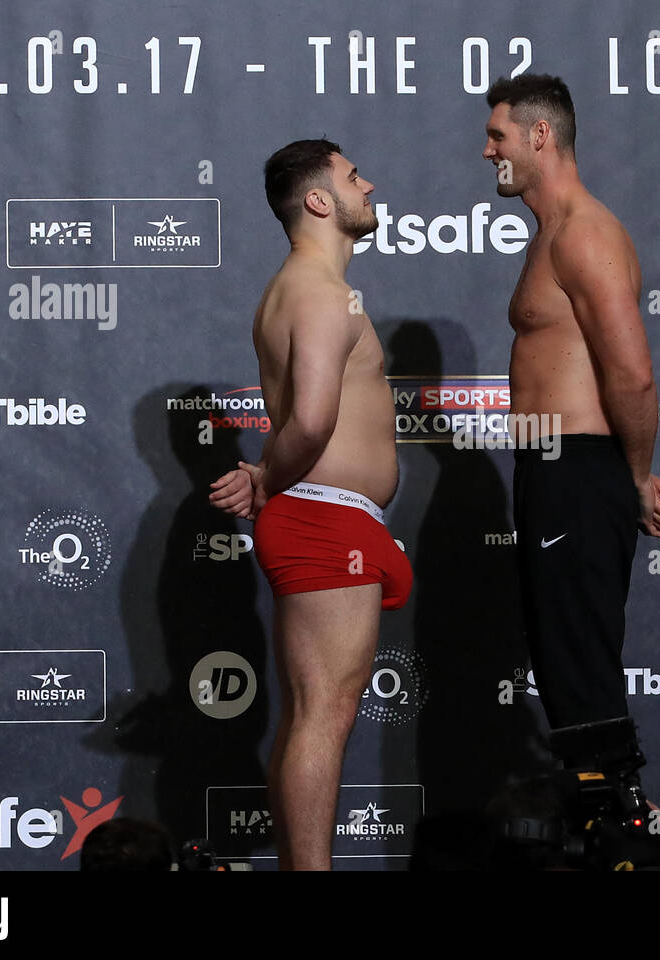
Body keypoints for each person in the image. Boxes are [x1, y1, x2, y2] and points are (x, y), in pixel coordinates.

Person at [209, 139, 411, 870]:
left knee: (311, 713)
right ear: (320, 201)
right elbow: (315, 419)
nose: (371, 183)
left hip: (328, 514)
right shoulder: (321, 294)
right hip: (323, 514)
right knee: (324, 713)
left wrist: (269, 480)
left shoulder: (298, 288)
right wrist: (266, 477)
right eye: (356, 176)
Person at [481, 74, 660, 765]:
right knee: (565, 661)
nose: (488, 152)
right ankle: (600, 814)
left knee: (578, 663)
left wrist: (633, 476)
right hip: (553, 467)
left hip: (578, 466)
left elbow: (632, 373)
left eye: (497, 136)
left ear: (541, 135)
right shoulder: (551, 234)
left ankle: (619, 824)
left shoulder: (585, 234)